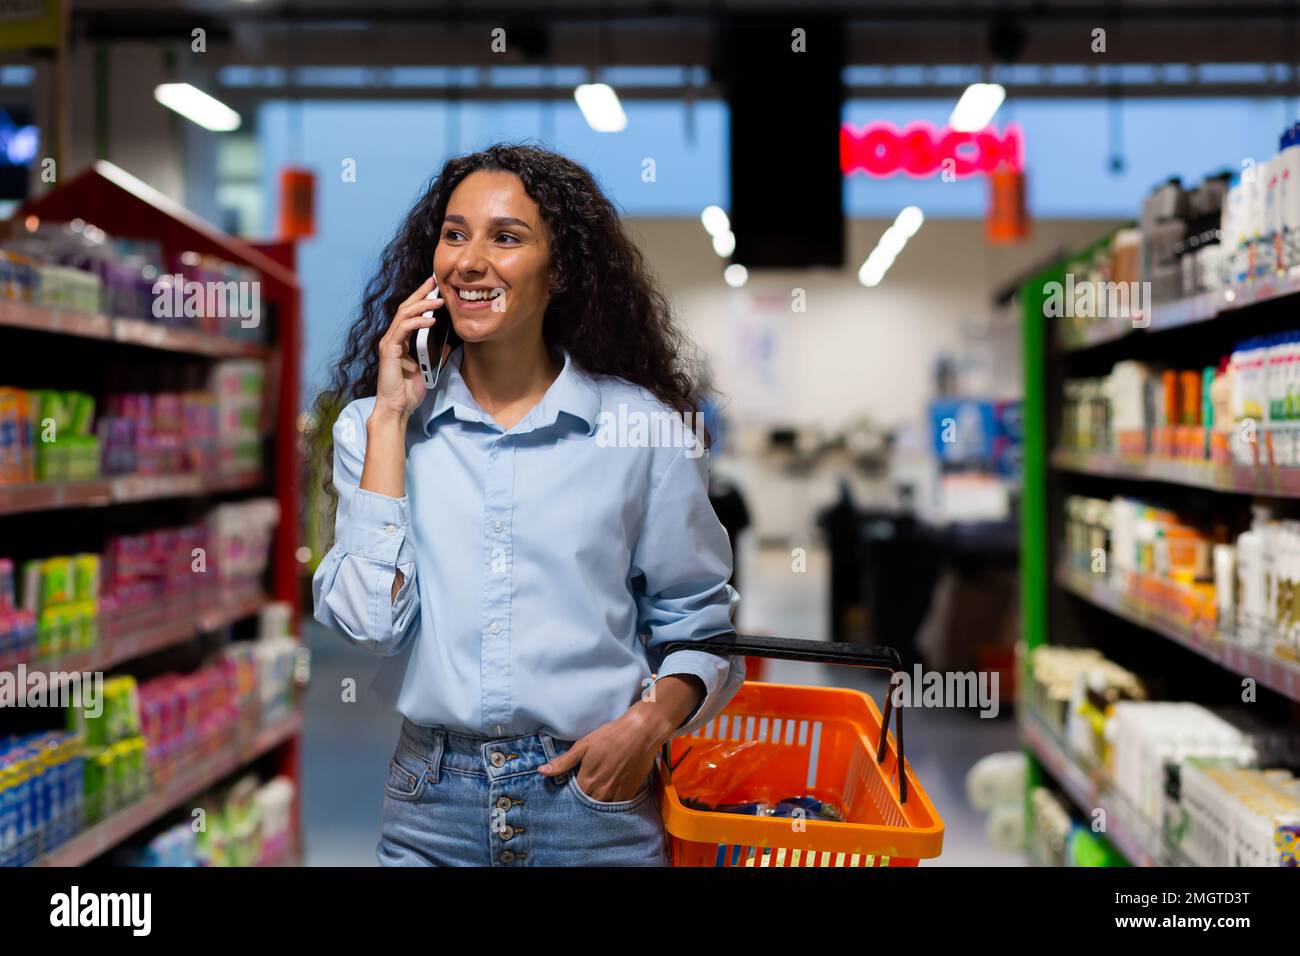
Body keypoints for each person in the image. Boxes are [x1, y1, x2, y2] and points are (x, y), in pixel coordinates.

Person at [311, 143, 744, 866]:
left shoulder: (638, 430)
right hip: (430, 805)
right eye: (454, 234)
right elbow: (368, 625)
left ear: (562, 269)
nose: (468, 261)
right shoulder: (375, 428)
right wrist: (390, 417)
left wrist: (648, 725)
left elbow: (698, 618)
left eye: (506, 238)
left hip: (593, 799)